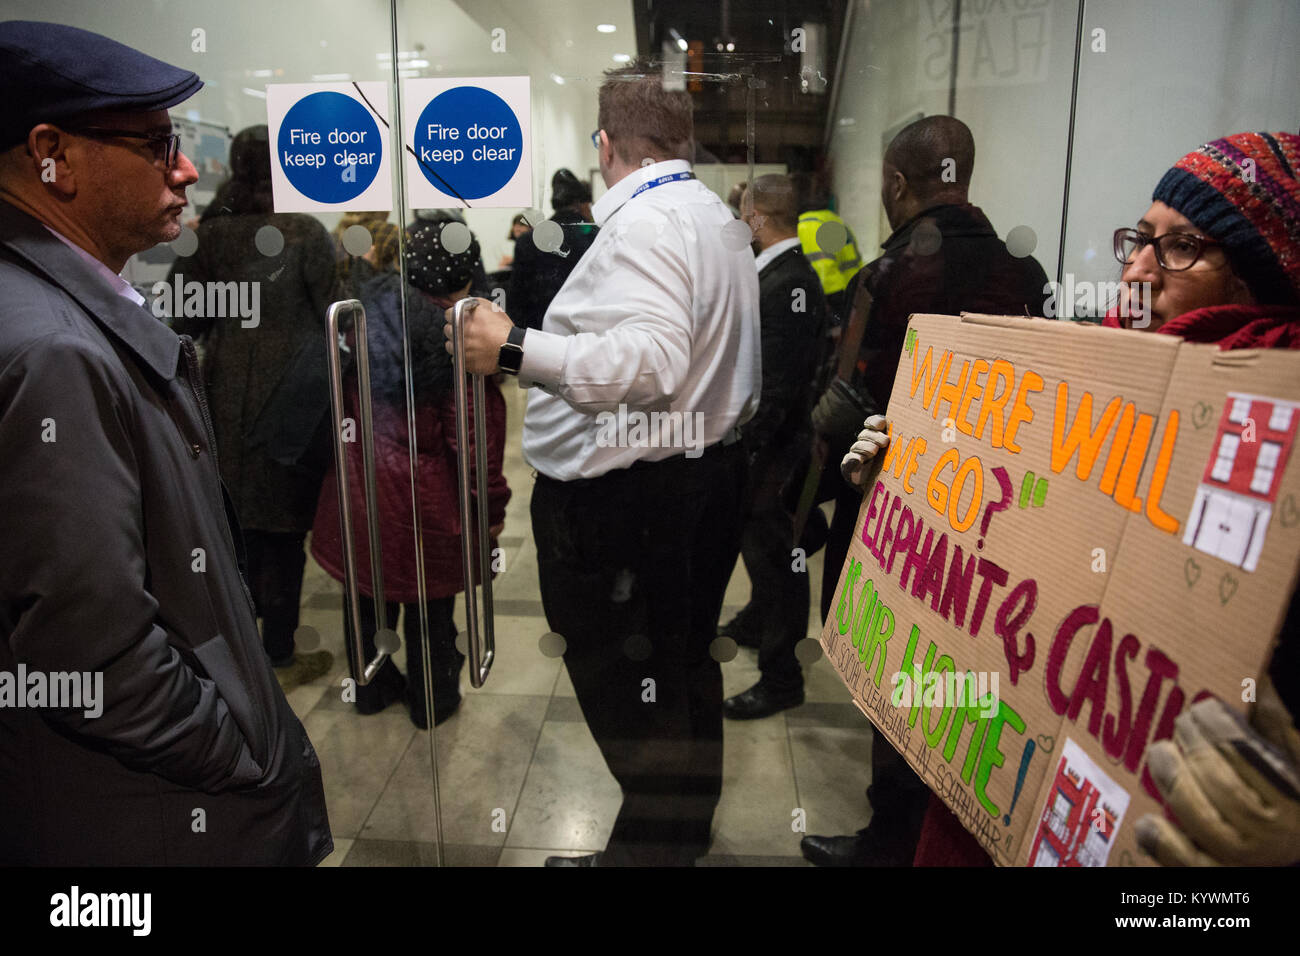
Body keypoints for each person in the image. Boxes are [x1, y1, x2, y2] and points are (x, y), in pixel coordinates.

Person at [848, 130, 1300, 868]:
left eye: (1182, 246)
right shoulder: (1080, 381)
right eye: (1141, 238)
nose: (1141, 267)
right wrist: (910, 485)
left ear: (1260, 280)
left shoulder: (1276, 451)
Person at [0, 20, 330, 865]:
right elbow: (94, 653)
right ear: (52, 154)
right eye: (155, 143)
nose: (184, 166)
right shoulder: (56, 352)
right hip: (154, 809)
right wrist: (245, 751)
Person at [445, 60, 761, 866]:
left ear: (606, 142)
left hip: (626, 504)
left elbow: (651, 360)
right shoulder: (712, 217)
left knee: (631, 687)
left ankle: (651, 850)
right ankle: (680, 835)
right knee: (683, 666)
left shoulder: (649, 221)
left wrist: (512, 346)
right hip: (696, 481)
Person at [800, 115, 1049, 867]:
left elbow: (843, 406)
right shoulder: (1024, 270)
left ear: (900, 184)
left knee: (892, 678)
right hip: (993, 521)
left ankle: (889, 843)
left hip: (893, 516)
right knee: (965, 687)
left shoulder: (889, 275)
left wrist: (798, 502)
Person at [312, 221, 510, 728]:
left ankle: (372, 690)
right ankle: (433, 700)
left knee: (365, 597)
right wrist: (490, 506)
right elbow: (473, 441)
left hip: (358, 488)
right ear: (468, 276)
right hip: (426, 500)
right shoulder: (461, 341)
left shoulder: (359, 316)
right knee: (429, 608)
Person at [171, 125, 339, 690]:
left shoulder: (208, 234)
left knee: (234, 526)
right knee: (285, 530)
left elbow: (183, 321)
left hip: (222, 397)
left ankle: (243, 650)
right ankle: (281, 650)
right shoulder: (306, 231)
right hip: (294, 396)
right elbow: (336, 320)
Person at [719, 174, 830, 719]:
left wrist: (747, 449)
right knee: (760, 552)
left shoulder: (789, 282)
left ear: (757, 217)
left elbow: (778, 389)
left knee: (777, 562)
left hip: (777, 453)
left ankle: (782, 677)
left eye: (744, 213)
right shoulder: (778, 274)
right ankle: (756, 622)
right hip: (773, 448)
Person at [506, 168, 599, 331]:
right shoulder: (596, 236)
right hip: (584, 335)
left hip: (536, 337)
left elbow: (516, 302)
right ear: (582, 203)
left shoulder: (527, 241)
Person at [793, 170, 862, 325]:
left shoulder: (807, 225)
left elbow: (824, 270)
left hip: (834, 299)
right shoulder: (833, 219)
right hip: (853, 294)